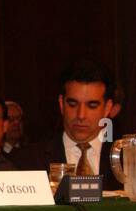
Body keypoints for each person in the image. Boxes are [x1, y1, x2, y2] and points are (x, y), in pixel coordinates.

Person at [19, 59, 121, 188]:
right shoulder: (31, 159)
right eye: (72, 104)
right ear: (61, 104)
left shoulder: (126, 159)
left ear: (107, 108)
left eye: (92, 106)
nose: (81, 115)